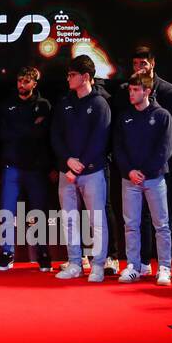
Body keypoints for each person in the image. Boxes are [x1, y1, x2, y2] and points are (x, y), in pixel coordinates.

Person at [52, 55, 113, 281]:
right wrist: (67, 160)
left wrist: (78, 166)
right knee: (69, 219)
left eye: (72, 75)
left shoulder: (100, 104)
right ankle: (75, 263)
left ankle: (98, 265)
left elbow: (99, 141)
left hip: (92, 171)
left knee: (97, 220)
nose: (68, 78)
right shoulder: (64, 102)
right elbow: (55, 135)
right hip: (66, 172)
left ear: (85, 77)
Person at [113, 72, 172, 285]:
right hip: (129, 180)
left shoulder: (162, 115)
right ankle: (133, 266)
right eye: (130, 90)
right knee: (131, 225)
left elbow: (165, 150)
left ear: (147, 91)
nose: (131, 93)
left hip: (155, 179)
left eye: (136, 90)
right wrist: (130, 171)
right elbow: (118, 148)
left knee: (161, 225)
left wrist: (145, 172)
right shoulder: (124, 117)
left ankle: (164, 267)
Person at [0, 67, 54, 272]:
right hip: (12, 167)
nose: (22, 85)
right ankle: (6, 252)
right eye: (20, 81)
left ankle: (42, 252)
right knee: (7, 212)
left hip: (36, 168)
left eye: (26, 82)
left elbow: (43, 135)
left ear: (34, 84)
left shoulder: (44, 105)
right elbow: (3, 134)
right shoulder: (6, 105)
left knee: (38, 213)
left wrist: (21, 129)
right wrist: (30, 127)